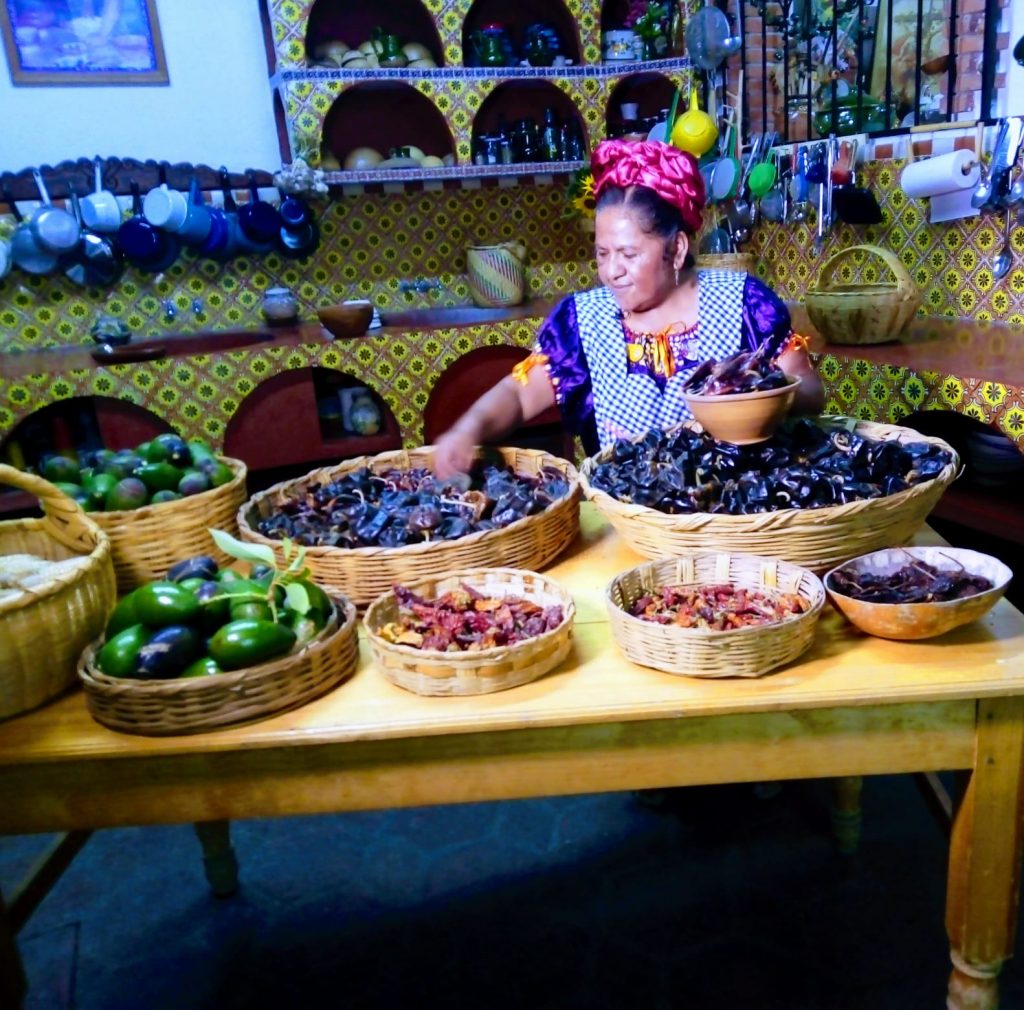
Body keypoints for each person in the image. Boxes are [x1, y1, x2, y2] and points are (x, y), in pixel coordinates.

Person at [434, 139, 824, 477]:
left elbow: (809, 391)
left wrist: (753, 399)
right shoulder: (582, 323)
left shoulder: (743, 303)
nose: (611, 271)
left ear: (677, 248)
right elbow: (518, 397)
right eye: (602, 254)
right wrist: (467, 431)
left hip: (733, 519)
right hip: (627, 522)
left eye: (628, 253)